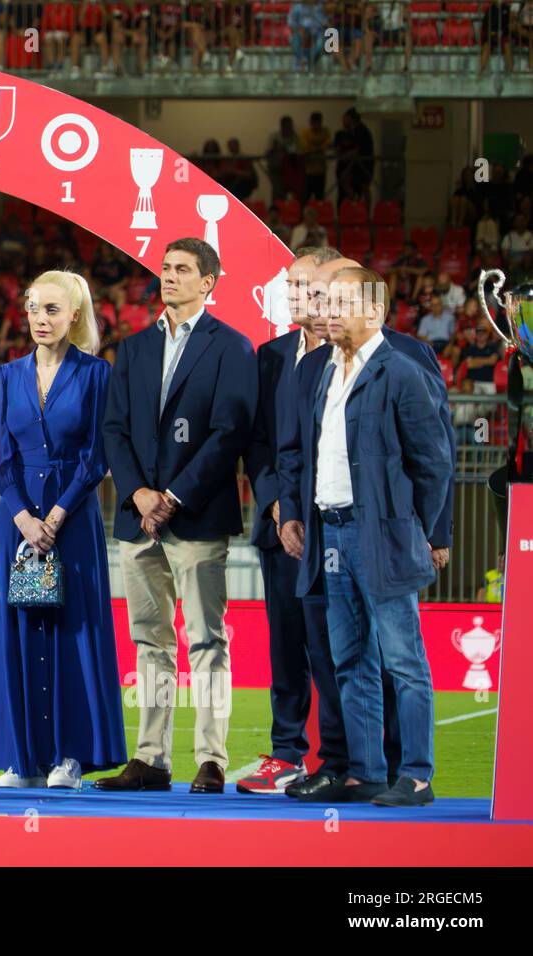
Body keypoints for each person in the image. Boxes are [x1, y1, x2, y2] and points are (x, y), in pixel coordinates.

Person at [278, 267, 452, 806]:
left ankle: (417, 775)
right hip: (330, 532)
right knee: (350, 658)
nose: (328, 310)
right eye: (325, 301)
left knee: (403, 659)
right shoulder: (321, 372)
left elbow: (435, 462)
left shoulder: (400, 371)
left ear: (374, 311)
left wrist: (419, 529)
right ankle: (368, 772)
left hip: (384, 536)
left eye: (342, 302)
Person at [98, 238, 258, 794]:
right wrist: (140, 493)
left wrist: (174, 497)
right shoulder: (134, 348)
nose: (169, 277)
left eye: (183, 270)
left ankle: (211, 758)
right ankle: (151, 758)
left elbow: (229, 434)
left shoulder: (233, 348)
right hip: (137, 519)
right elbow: (113, 430)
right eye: (165, 268)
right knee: (150, 642)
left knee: (207, 642)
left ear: (209, 282)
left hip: (197, 519)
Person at [0, 270, 126, 789]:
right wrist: (23, 519)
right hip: (18, 525)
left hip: (71, 524)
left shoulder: (97, 374)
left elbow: (95, 458)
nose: (41, 318)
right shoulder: (5, 377)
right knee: (16, 633)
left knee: (72, 634)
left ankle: (70, 756)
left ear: (75, 315)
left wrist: (54, 517)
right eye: (34, 307)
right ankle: (22, 758)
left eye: (53, 309)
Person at [237, 247, 349, 795]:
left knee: (333, 646)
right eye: (293, 285)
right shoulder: (271, 354)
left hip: (334, 527)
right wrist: (278, 504)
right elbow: (258, 442)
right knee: (286, 645)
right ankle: (287, 754)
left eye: (307, 285)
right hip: (280, 526)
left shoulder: (352, 353)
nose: (297, 294)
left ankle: (344, 756)